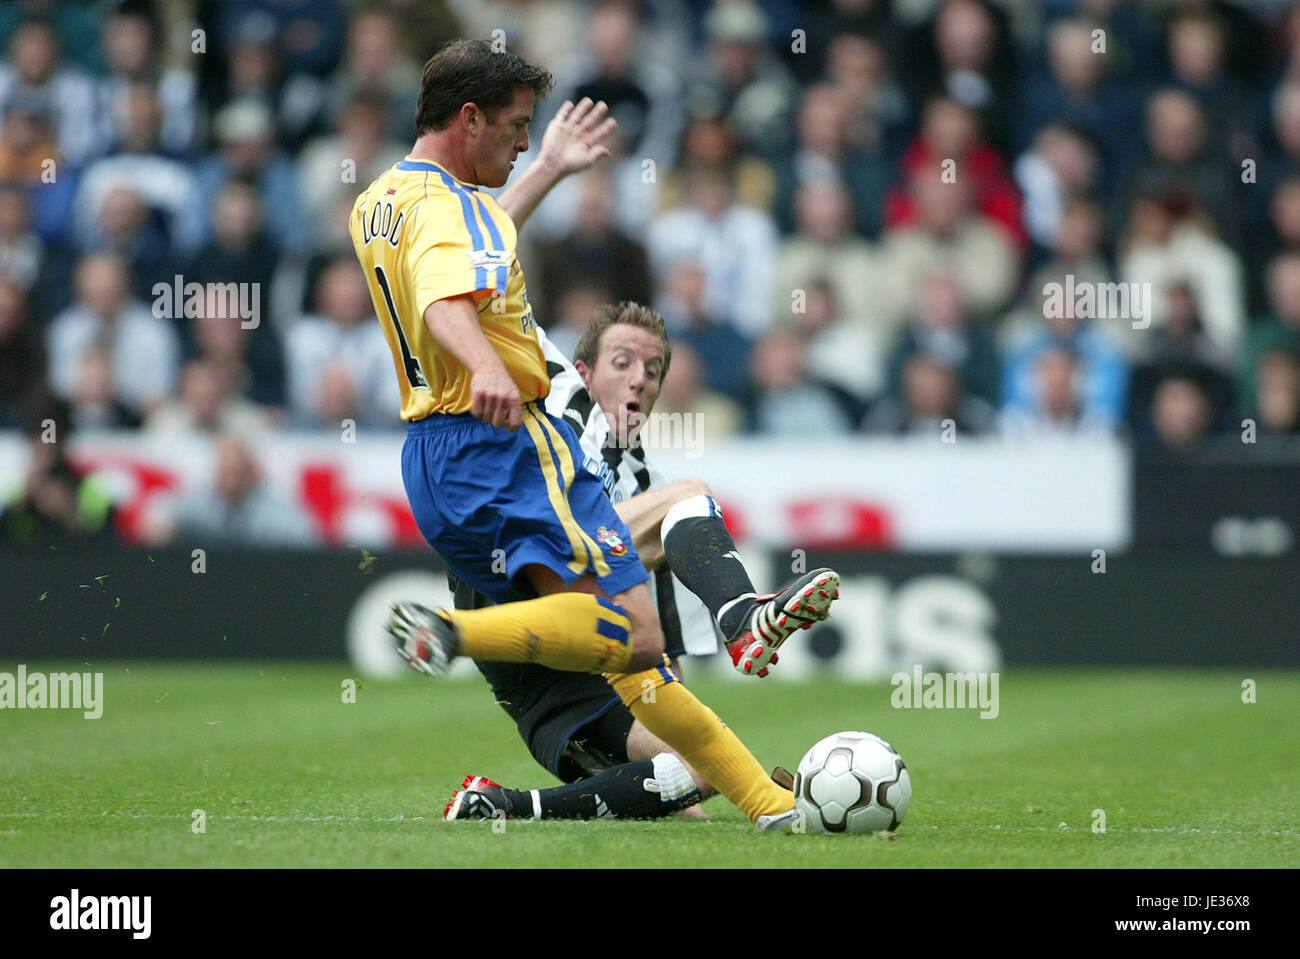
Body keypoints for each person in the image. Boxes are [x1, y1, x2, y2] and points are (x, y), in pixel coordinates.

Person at [348, 39, 817, 830]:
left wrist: (551, 170)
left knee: (639, 659)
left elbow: (468, 249)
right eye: (516, 127)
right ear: (469, 119)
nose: (525, 141)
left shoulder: (382, 201)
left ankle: (773, 807)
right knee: (636, 631)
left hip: (433, 455)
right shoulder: (450, 209)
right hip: (502, 440)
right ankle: (451, 634)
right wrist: (488, 368)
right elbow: (443, 298)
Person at [445, 302, 840, 821]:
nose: (639, 381)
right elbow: (490, 266)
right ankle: (742, 615)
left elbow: (659, 659)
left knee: (696, 779)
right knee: (690, 494)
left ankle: (504, 807)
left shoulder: (646, 494)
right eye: (623, 362)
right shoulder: (556, 387)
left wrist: (702, 753)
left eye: (653, 372)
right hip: (509, 571)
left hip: (560, 684)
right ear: (583, 371)